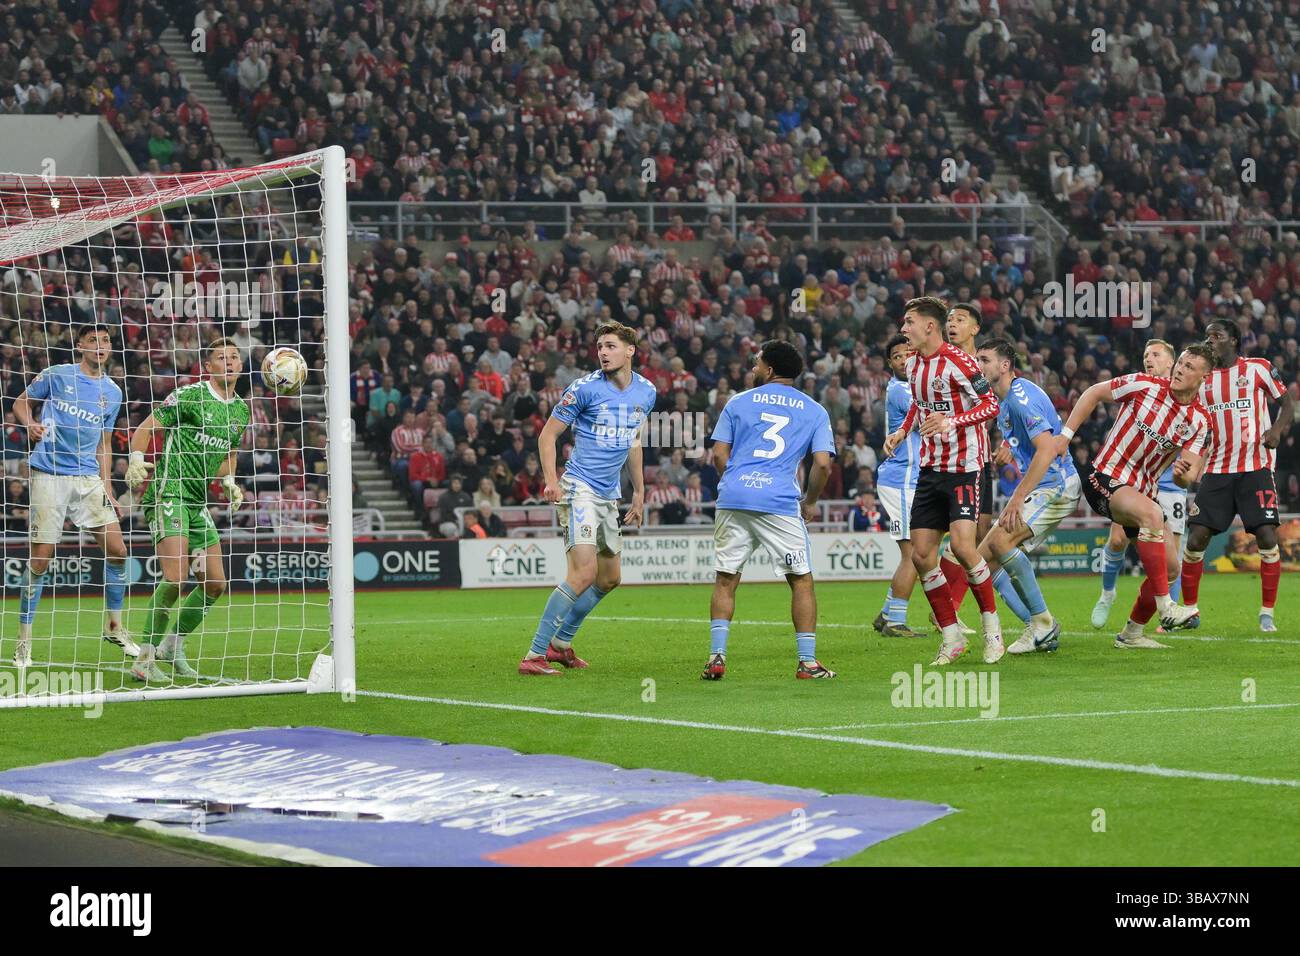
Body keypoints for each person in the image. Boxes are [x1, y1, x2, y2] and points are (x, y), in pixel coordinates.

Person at [1053, 344, 1214, 648]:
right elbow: (1093, 393)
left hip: (1143, 493)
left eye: (1190, 367)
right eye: (1180, 363)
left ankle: (1131, 634)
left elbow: (1186, 477)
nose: (1180, 369)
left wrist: (1182, 473)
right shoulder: (1145, 384)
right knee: (1151, 516)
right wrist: (1066, 435)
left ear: (1204, 377)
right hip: (1104, 477)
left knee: (1171, 568)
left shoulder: (1199, 421)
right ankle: (1165, 607)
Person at [519, 322, 657, 675]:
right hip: (579, 489)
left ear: (630, 351)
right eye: (599, 346)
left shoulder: (646, 392)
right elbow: (547, 437)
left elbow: (633, 442)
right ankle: (533, 655)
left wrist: (639, 493)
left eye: (610, 346)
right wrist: (552, 481)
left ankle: (561, 644)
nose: (603, 352)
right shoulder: (583, 389)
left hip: (609, 496)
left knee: (609, 578)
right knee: (583, 573)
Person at [703, 340, 836, 680]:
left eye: (757, 363)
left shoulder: (738, 402)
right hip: (779, 502)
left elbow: (719, 455)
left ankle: (716, 657)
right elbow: (822, 464)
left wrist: (734, 481)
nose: (753, 368)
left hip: (734, 498)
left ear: (770, 369)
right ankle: (807, 663)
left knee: (726, 579)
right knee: (801, 581)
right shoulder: (815, 410)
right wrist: (810, 502)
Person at [882, 296, 1003, 666]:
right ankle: (951, 637)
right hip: (930, 469)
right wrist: (902, 431)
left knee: (966, 549)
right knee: (921, 555)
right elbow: (921, 404)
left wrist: (953, 421)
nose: (904, 330)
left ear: (929, 326)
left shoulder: (961, 361)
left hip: (964, 468)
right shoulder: (915, 365)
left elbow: (990, 405)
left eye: (909, 323)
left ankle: (992, 631)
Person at [125, 338, 250, 680]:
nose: (229, 362)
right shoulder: (189, 395)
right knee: (176, 578)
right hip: (169, 493)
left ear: (241, 365)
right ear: (208, 367)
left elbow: (229, 455)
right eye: (221, 358)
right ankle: (144, 659)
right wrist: (136, 457)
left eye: (234, 357)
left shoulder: (241, 410)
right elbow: (148, 426)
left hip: (197, 503)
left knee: (214, 584)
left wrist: (229, 482)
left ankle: (172, 645)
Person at [11, 325, 134, 667]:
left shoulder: (112, 391)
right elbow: (21, 403)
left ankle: (114, 626)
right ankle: (24, 639)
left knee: (119, 550)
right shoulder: (56, 375)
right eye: (94, 340)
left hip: (88, 477)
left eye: (106, 341)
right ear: (80, 346)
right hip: (49, 472)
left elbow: (105, 444)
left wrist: (108, 485)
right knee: (41, 560)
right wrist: (30, 423)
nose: (101, 346)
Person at [1178, 320, 1294, 632]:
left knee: (1268, 536)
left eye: (1216, 336)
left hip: (1256, 467)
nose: (1210, 341)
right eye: (1207, 336)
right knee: (1197, 537)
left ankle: (1266, 612)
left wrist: (1278, 430)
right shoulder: (1203, 379)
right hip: (1217, 469)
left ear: (1234, 340)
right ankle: (1189, 610)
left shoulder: (1258, 368)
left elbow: (1287, 404)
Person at [977, 338, 1082, 654]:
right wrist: (1009, 447)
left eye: (985, 360)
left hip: (1057, 486)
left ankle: (1043, 623)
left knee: (999, 543)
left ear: (1004, 366)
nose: (978, 365)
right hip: (1042, 486)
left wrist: (1016, 498)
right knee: (981, 561)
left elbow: (1047, 448)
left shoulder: (1020, 398)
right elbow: (1029, 435)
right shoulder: (1005, 400)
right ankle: (1037, 625)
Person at [1091, 340, 1187, 629]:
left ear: (1172, 363)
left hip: (1168, 486)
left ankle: (1160, 618)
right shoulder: (1139, 388)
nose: (1149, 359)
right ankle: (1107, 594)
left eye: (1156, 355)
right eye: (1146, 355)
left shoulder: (1186, 399)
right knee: (1118, 539)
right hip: (1130, 481)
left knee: (1173, 556)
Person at [933, 302, 992, 635]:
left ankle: (951, 607)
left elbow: (994, 405)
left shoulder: (982, 362)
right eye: (949, 320)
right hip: (950, 461)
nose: (952, 324)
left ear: (975, 328)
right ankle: (949, 609)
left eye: (959, 319)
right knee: (963, 539)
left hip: (980, 457)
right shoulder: (940, 361)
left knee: (978, 535)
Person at [872, 335, 924, 638]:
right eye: (897, 356)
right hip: (901, 479)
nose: (904, 360)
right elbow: (929, 413)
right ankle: (895, 621)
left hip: (910, 479)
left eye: (909, 354)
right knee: (915, 553)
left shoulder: (911, 387)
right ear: (890, 363)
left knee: (917, 551)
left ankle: (887, 613)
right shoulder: (902, 391)